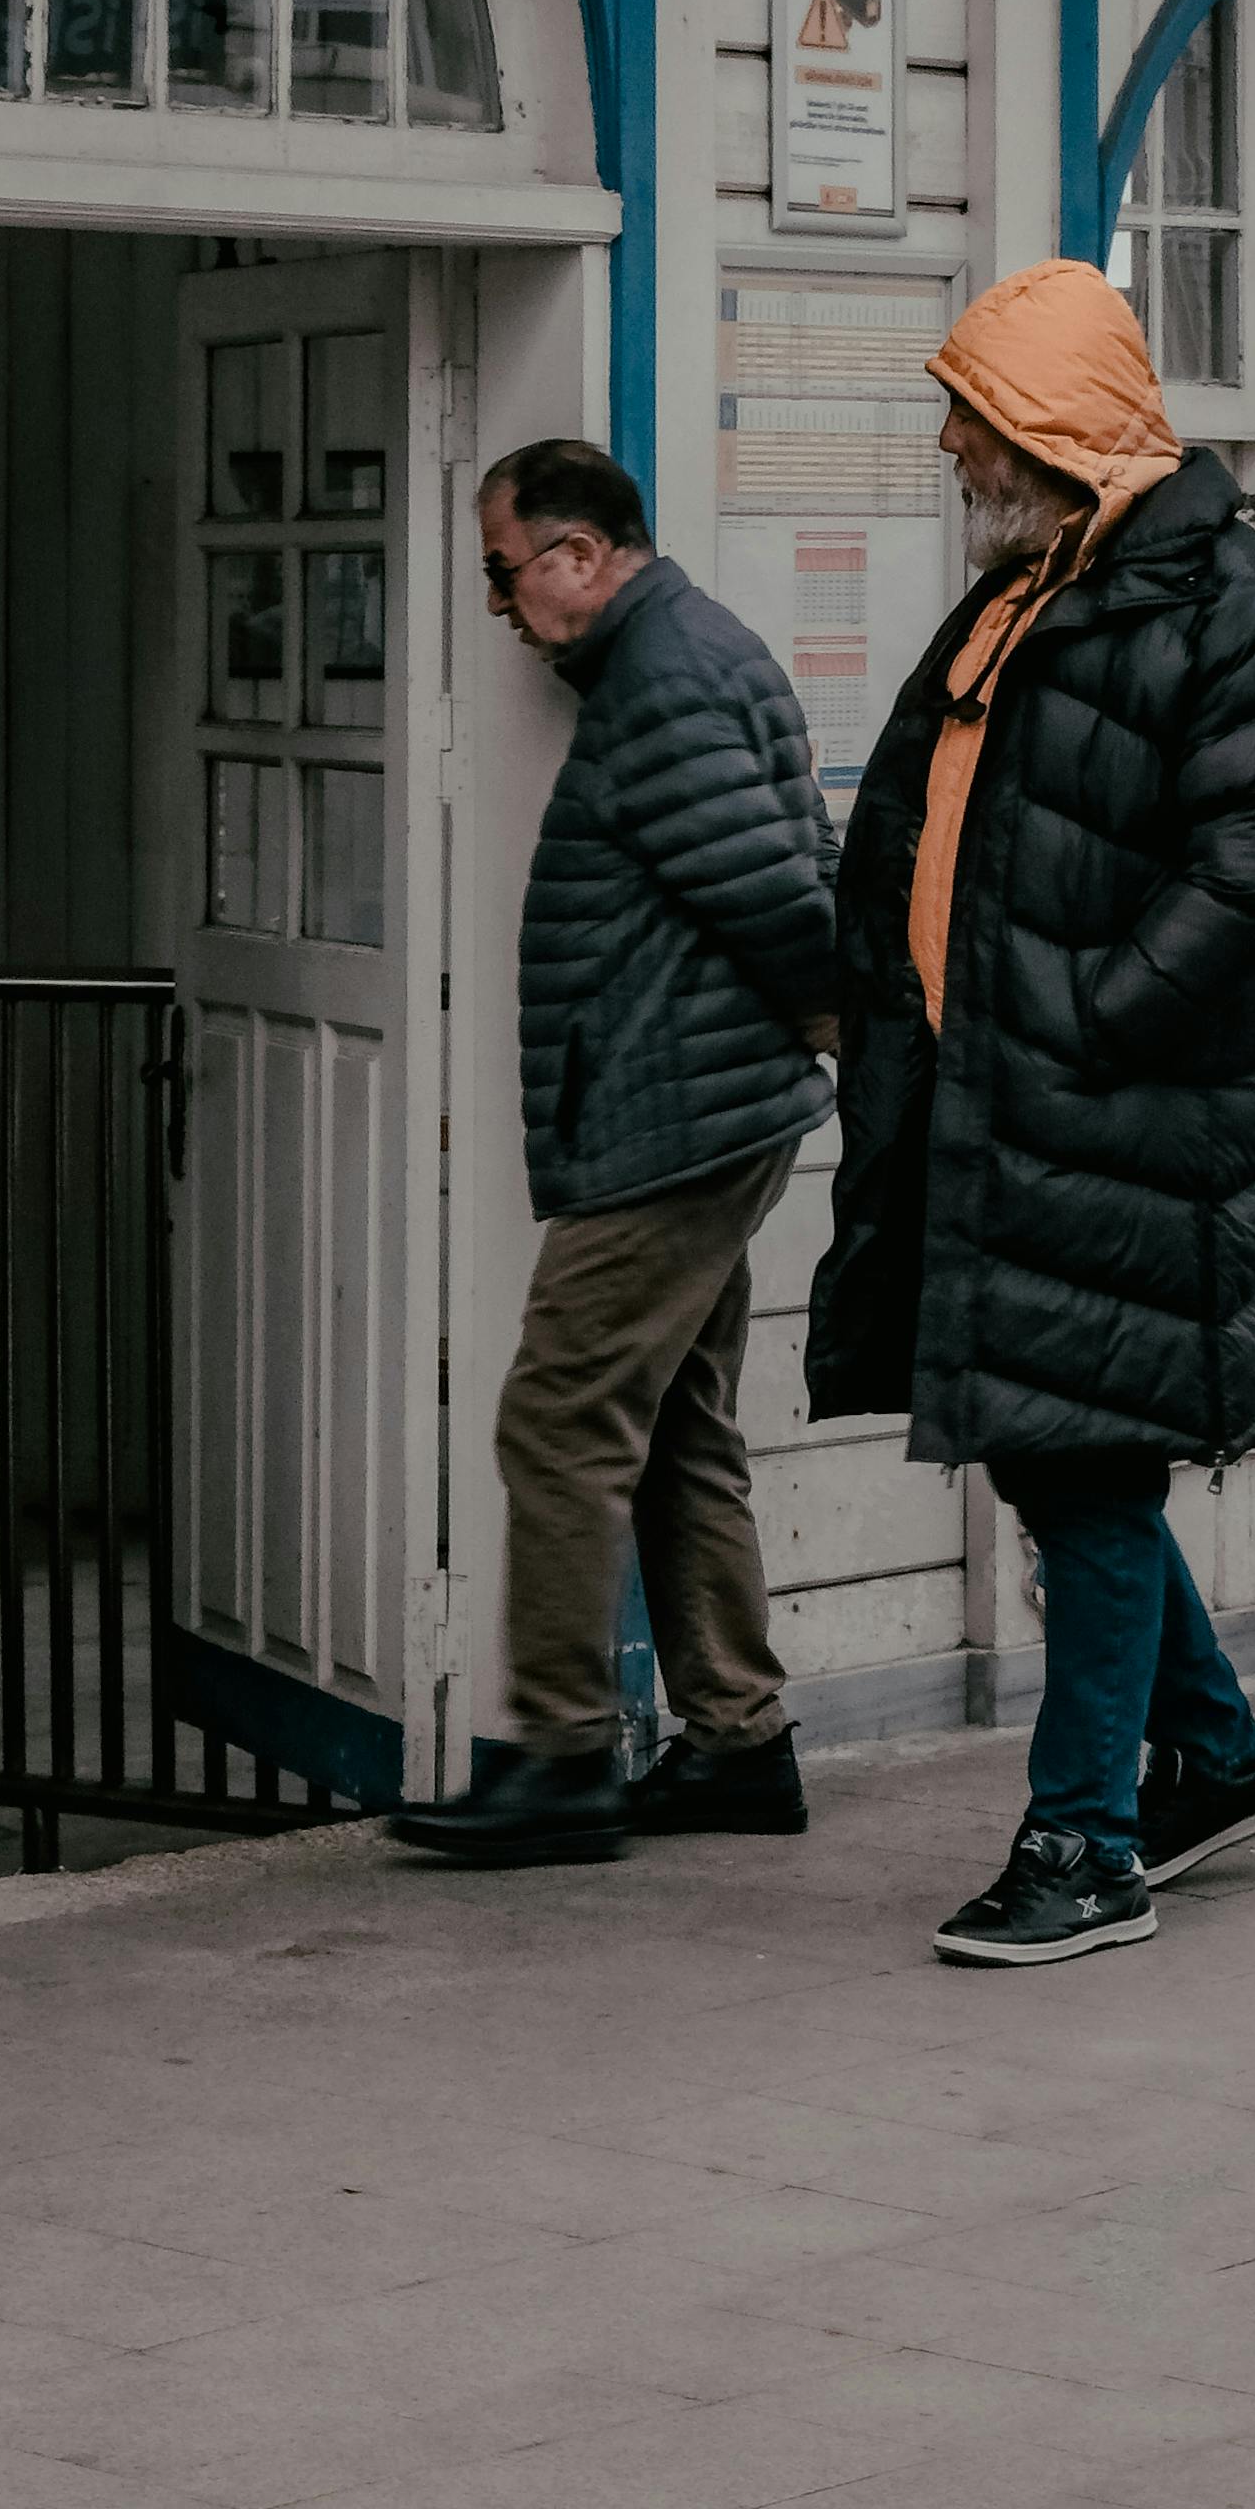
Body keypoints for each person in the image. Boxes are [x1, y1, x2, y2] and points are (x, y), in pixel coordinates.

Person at [806, 261, 1255, 1967]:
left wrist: (1085, 1021)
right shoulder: (1024, 594)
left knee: (1089, 1474)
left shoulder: (1234, 608)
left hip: (1111, 1117)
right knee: (1062, 1460)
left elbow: (1254, 869)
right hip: (992, 1110)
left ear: (1049, 432)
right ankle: (1221, 1758)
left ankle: (1085, 1840)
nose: (953, 450)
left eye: (973, 420)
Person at [391, 437, 839, 1870]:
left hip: (672, 1116)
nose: (503, 606)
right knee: (677, 1431)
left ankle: (561, 1756)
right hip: (699, 1101)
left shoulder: (662, 678)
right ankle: (735, 1743)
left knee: (558, 1417)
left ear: (578, 557)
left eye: (503, 573)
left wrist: (834, 1030)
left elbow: (776, 895)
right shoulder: (688, 653)